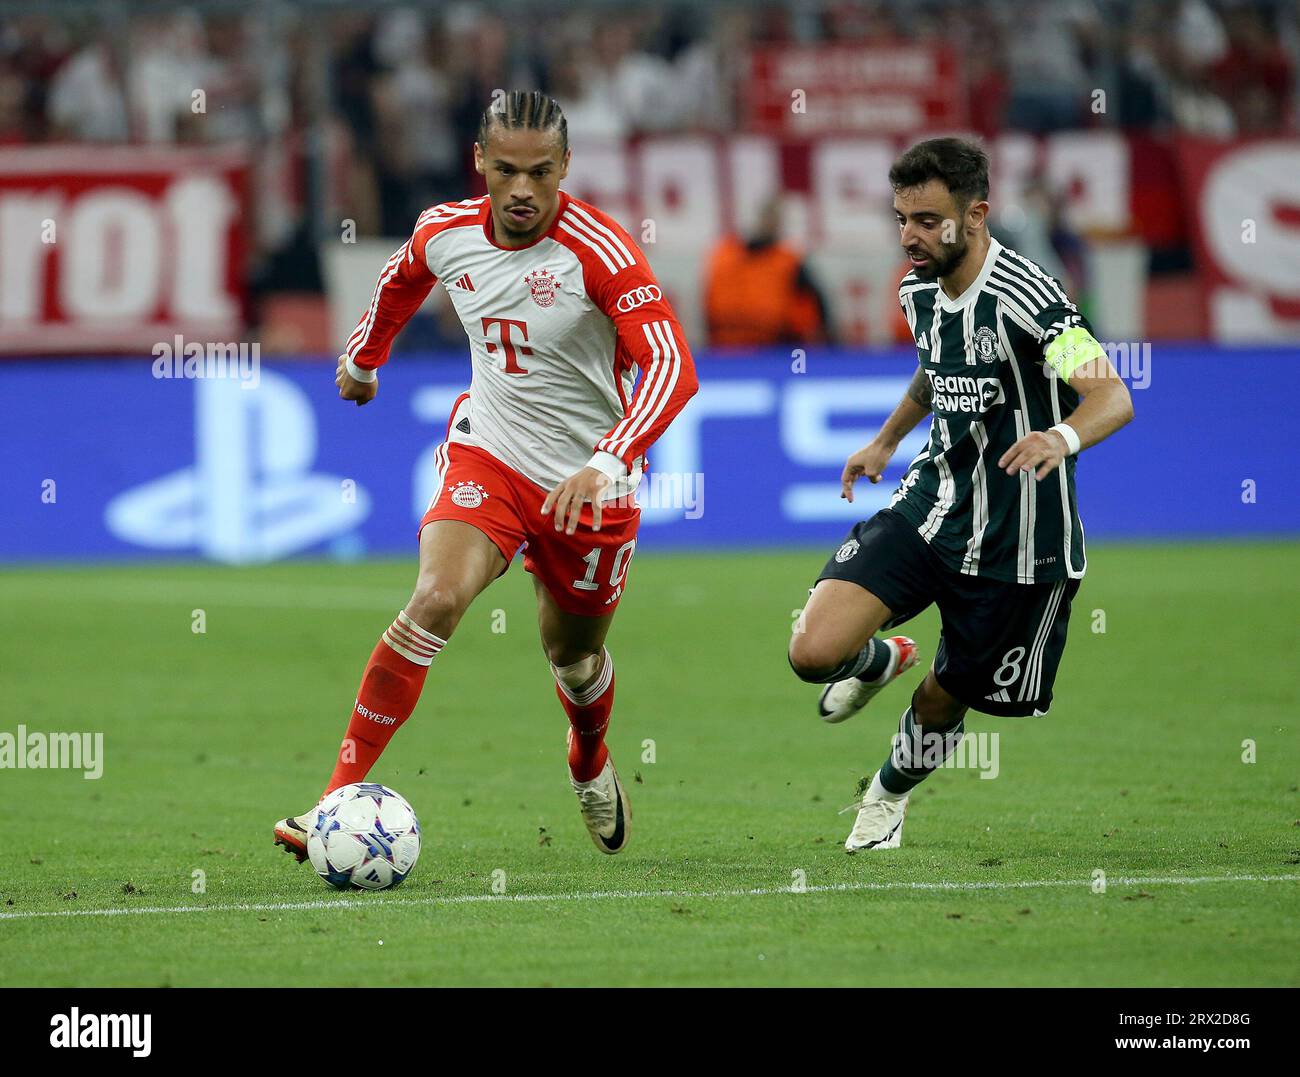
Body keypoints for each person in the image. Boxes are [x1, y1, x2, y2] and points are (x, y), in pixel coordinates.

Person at [274, 91, 697, 861]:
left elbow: (674, 365)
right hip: (489, 455)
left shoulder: (601, 252)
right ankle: (331, 799)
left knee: (573, 657)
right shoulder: (445, 230)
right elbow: (401, 280)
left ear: (566, 167)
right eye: (507, 170)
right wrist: (366, 358)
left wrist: (608, 458)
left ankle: (588, 754)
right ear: (481, 163)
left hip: (589, 486)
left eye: (541, 171)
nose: (524, 189)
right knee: (436, 596)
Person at [788, 137, 1133, 852]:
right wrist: (886, 440)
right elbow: (933, 368)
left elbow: (1110, 393)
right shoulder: (917, 288)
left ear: (975, 215)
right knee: (812, 651)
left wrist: (1058, 438)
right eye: (901, 218)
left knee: (946, 698)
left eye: (927, 220)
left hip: (1019, 542)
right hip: (932, 507)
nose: (910, 236)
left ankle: (884, 798)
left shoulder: (1032, 299)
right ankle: (879, 659)